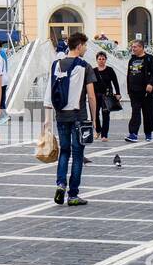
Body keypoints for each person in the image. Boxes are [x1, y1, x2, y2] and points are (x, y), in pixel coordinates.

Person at [51, 32, 97, 206]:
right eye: (85, 46)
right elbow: (91, 96)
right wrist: (94, 120)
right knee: (78, 155)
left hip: (61, 115)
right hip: (79, 116)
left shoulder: (56, 64)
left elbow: (50, 91)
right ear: (79, 46)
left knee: (64, 151)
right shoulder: (84, 66)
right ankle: (73, 195)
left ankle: (61, 184)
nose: (86, 49)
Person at [124, 39, 153, 142]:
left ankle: (148, 133)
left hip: (146, 92)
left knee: (148, 113)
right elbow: (129, 75)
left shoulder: (149, 58)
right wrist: (129, 90)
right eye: (132, 47)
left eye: (135, 47)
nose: (133, 49)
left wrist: (151, 83)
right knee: (135, 113)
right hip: (134, 92)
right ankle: (133, 134)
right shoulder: (132, 60)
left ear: (141, 47)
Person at [91, 50, 121, 141]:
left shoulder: (110, 70)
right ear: (96, 60)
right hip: (96, 95)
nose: (101, 60)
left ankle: (104, 135)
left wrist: (118, 93)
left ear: (106, 60)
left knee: (105, 115)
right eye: (99, 59)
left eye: (103, 59)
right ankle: (98, 130)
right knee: (95, 115)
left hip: (107, 96)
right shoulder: (93, 71)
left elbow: (115, 82)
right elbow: (90, 84)